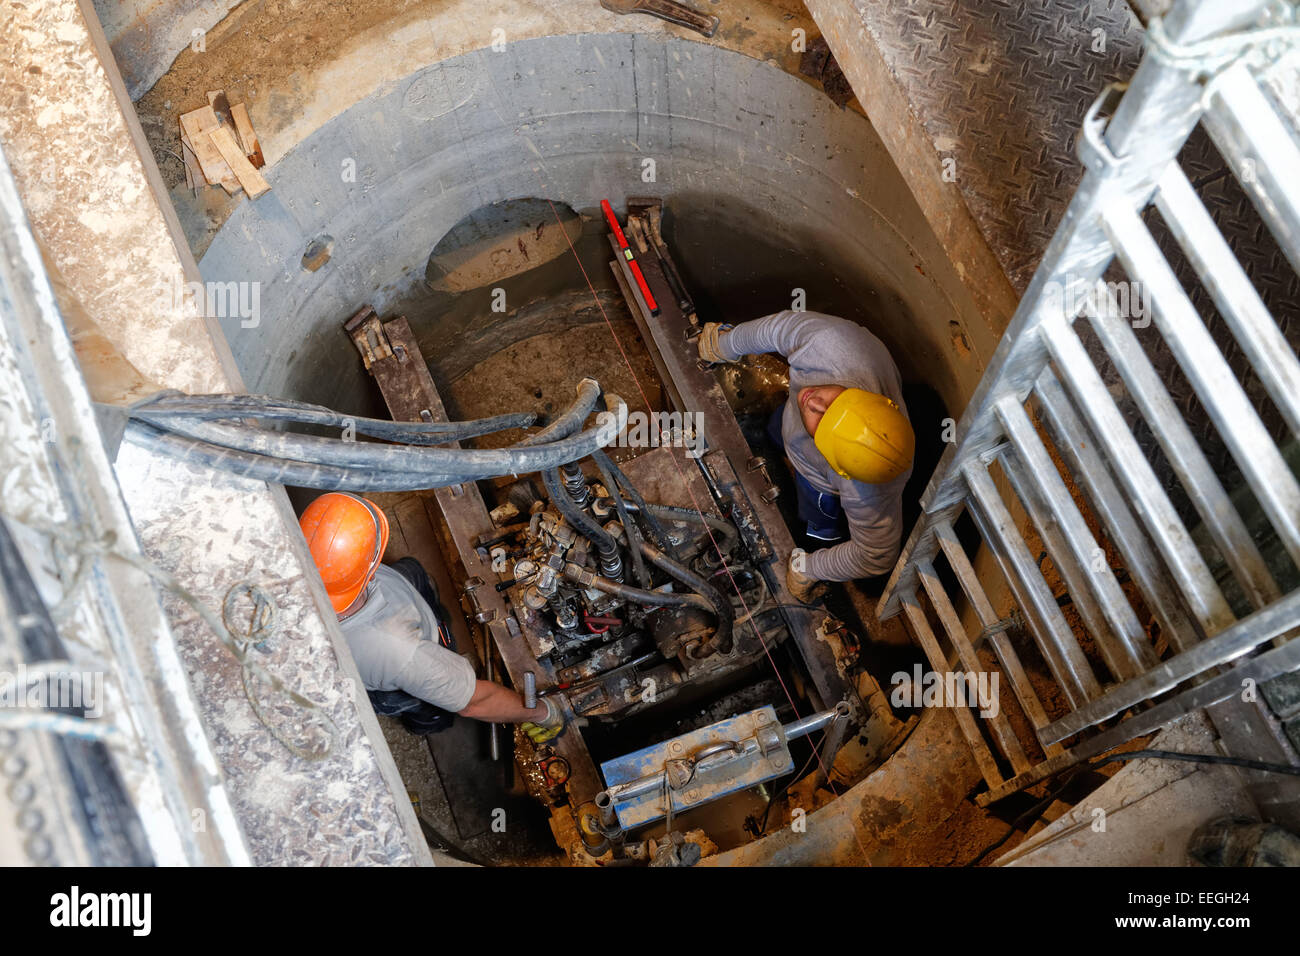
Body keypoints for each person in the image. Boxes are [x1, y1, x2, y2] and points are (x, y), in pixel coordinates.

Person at [298, 492, 564, 741]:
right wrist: (541, 713)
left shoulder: (304, 563)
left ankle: (422, 593)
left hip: (397, 595)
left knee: (412, 572)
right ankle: (425, 723)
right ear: (366, 567)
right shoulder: (398, 652)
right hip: (395, 669)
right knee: (432, 710)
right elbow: (475, 702)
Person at [697, 310, 915, 602]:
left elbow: (876, 555)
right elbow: (779, 328)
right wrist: (724, 345)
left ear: (840, 470)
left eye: (821, 427)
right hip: (791, 425)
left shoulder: (867, 487)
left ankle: (816, 535)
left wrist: (809, 568)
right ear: (873, 401)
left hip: (819, 485)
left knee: (820, 524)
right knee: (779, 425)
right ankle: (776, 437)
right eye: (838, 401)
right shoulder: (829, 345)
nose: (813, 402)